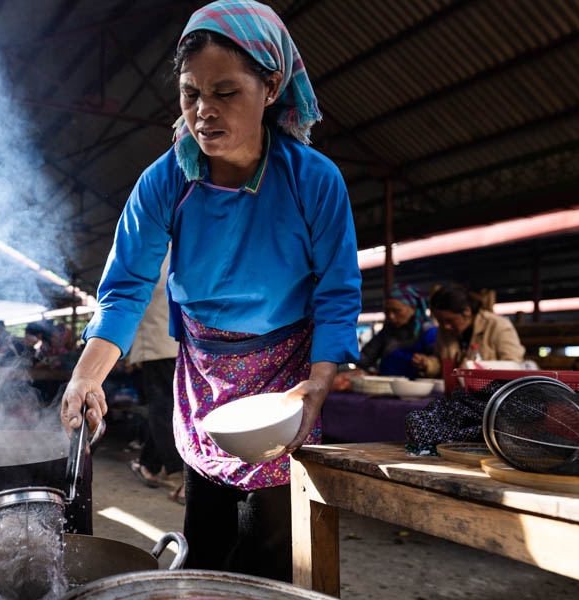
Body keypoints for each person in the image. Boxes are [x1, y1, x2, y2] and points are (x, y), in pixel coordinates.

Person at [60, 0, 361, 582]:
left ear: (271, 87)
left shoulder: (312, 179)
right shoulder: (165, 180)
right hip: (202, 377)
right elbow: (124, 290)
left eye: (226, 93)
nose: (204, 113)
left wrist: (319, 384)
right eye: (190, 94)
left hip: (286, 381)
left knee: (271, 549)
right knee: (206, 540)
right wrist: (86, 375)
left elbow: (338, 291)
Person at [126, 250, 184, 501]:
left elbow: (127, 302)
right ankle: (148, 463)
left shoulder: (150, 250)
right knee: (169, 409)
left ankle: (181, 476)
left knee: (163, 411)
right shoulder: (184, 246)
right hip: (183, 344)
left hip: (158, 345)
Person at [414, 284, 525, 378]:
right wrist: (427, 364)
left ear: (467, 311)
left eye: (449, 320)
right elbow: (441, 362)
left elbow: (513, 365)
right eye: (440, 321)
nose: (445, 326)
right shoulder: (443, 330)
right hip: (457, 392)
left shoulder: (497, 326)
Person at [356, 284, 436, 379]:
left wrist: (427, 363)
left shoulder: (429, 332)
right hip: (385, 387)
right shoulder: (386, 332)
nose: (391, 316)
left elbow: (438, 365)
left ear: (413, 308)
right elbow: (366, 359)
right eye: (387, 311)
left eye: (396, 311)